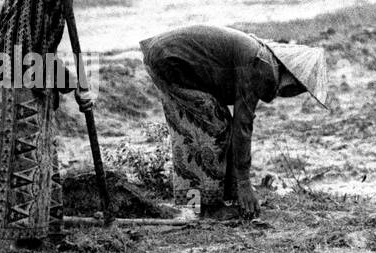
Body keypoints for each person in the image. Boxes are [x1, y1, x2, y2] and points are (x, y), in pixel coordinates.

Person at [0, 0, 110, 248]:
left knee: (45, 158)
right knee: (21, 156)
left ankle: (50, 232)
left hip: (33, 77)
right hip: (9, 72)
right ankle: (24, 239)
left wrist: (78, 84)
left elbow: (45, 52)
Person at [140, 24, 328, 218]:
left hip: (163, 55)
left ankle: (210, 201)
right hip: (170, 59)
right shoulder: (261, 65)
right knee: (213, 128)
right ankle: (206, 209)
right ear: (292, 77)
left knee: (201, 128)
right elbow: (243, 125)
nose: (290, 94)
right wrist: (245, 183)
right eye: (297, 88)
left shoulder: (262, 58)